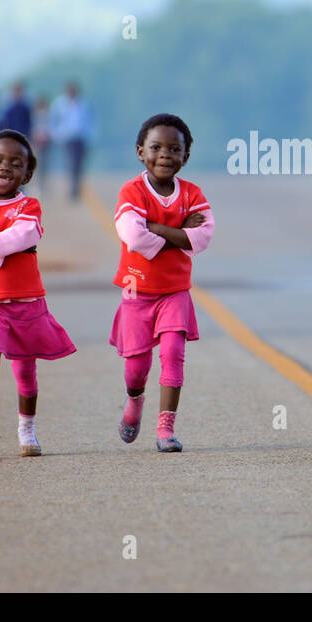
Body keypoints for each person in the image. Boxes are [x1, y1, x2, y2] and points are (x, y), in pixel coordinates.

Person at [0, 128, 77, 459]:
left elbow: (22, 236)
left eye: (15, 162)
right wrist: (6, 246)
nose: (5, 167)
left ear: (28, 172)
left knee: (26, 372)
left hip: (28, 303)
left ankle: (27, 429)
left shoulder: (30, 205)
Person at [109, 113, 214, 452]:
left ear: (186, 155)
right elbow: (132, 236)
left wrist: (156, 226)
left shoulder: (192, 193)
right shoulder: (132, 190)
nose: (165, 155)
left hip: (175, 291)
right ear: (141, 152)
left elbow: (204, 235)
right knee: (136, 369)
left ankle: (166, 428)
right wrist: (180, 231)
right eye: (156, 147)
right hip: (137, 291)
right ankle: (135, 400)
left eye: (174, 149)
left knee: (173, 353)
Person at [48, 81, 95, 201]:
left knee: (79, 164)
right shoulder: (59, 104)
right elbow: (52, 120)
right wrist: (56, 134)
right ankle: (72, 188)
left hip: (81, 137)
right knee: (71, 163)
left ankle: (76, 186)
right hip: (67, 137)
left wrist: (89, 135)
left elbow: (90, 120)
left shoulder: (83, 103)